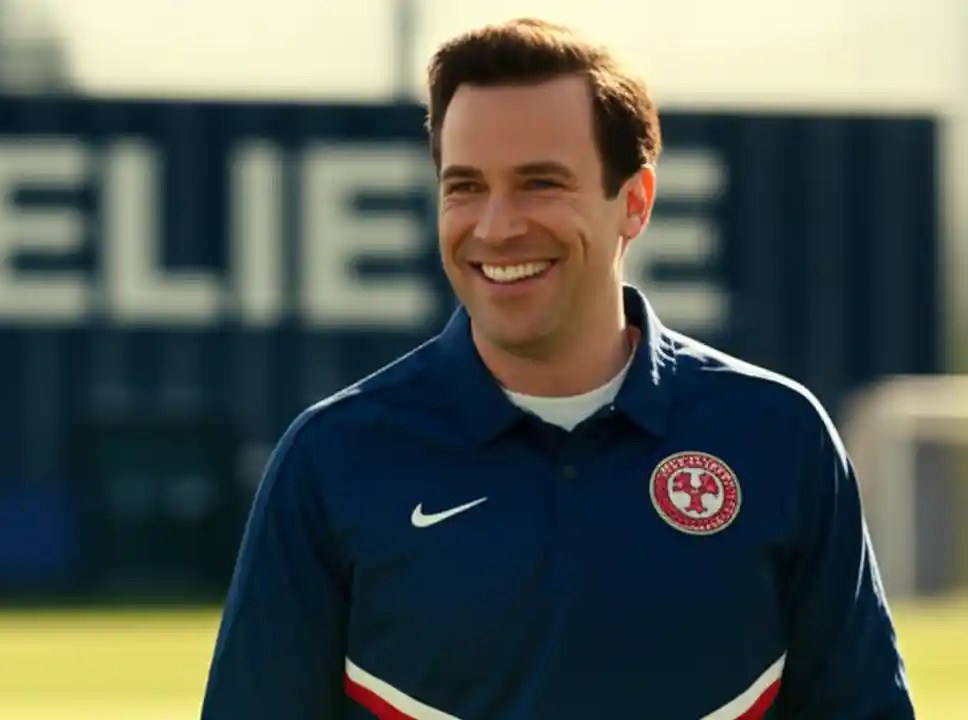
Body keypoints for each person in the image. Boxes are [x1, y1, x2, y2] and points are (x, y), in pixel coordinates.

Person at [200, 17, 915, 719]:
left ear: (633, 203)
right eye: (465, 187)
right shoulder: (334, 458)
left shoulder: (777, 437)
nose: (496, 226)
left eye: (540, 183)